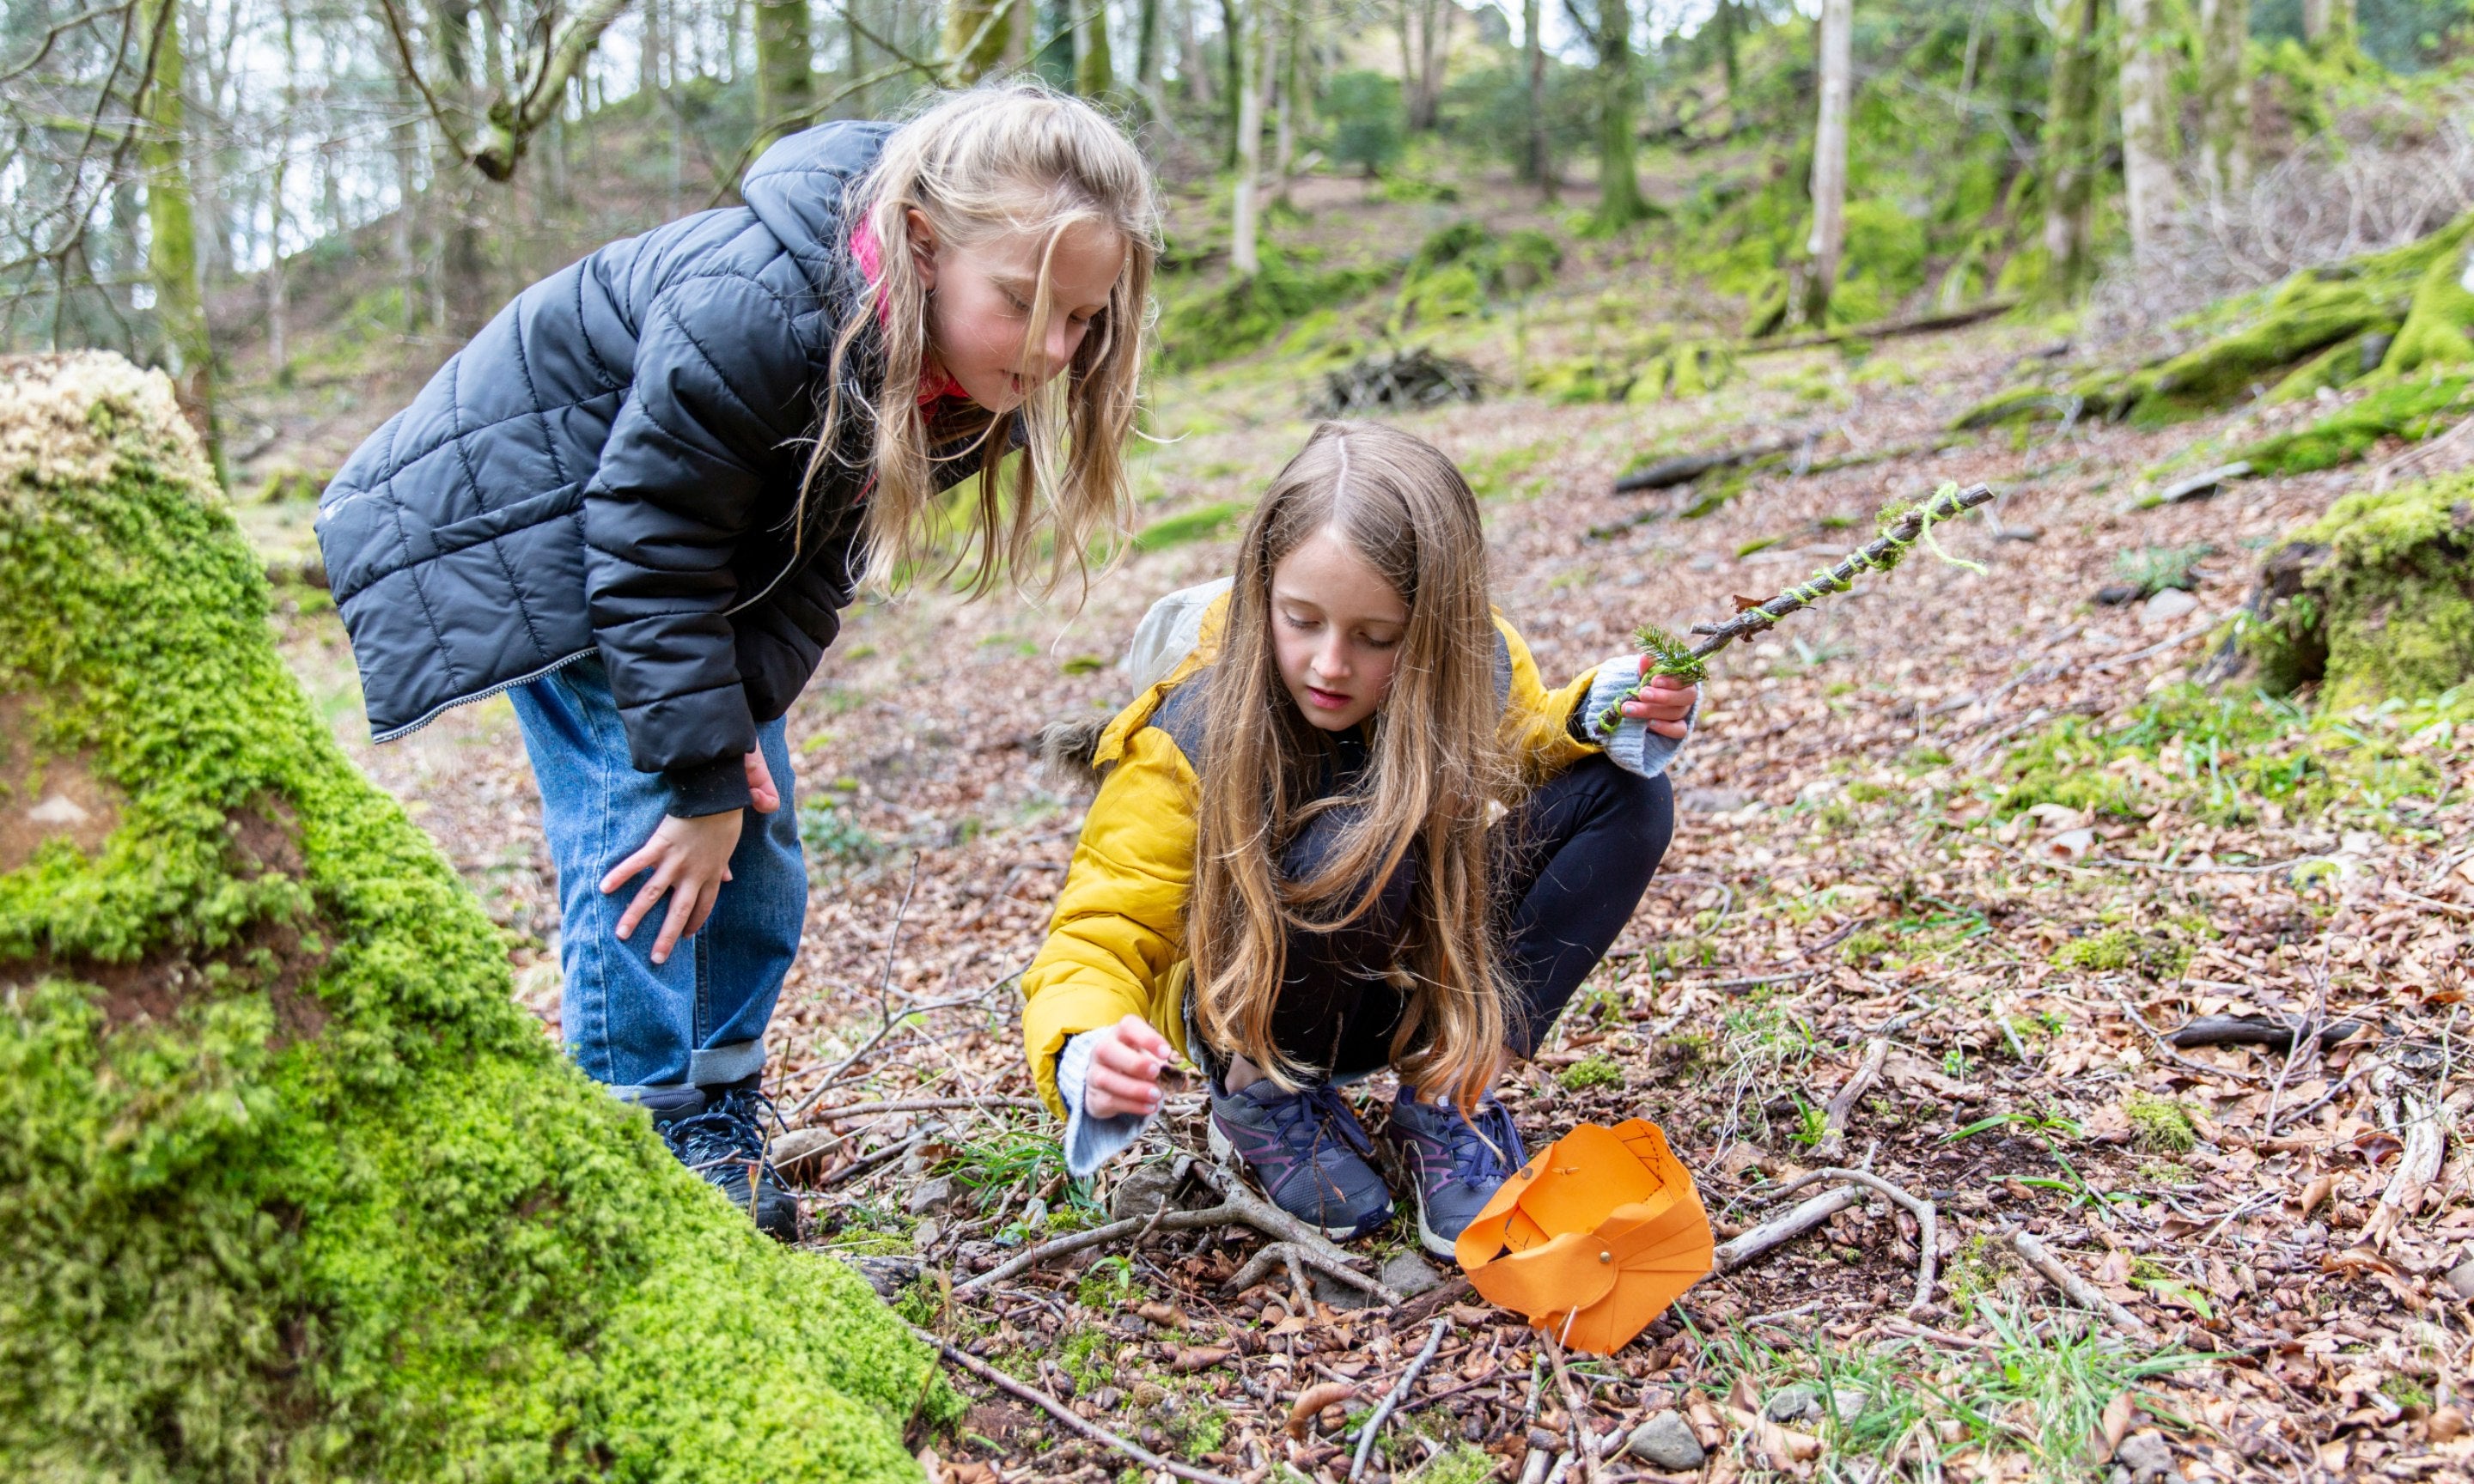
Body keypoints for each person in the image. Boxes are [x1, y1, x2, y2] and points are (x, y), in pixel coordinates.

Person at [316, 82, 1157, 1240]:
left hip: (671, 567)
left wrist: (736, 752)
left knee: (757, 851)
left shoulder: (963, 369)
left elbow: (812, 561)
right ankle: (635, 1147)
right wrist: (697, 779)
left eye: (1083, 320)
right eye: (1025, 304)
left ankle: (714, 1116)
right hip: (547, 535)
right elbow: (648, 538)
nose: (1057, 349)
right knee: (644, 840)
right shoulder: (762, 312)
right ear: (922, 243)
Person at [1020, 423, 1698, 1258]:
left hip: (1410, 962)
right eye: (1302, 621)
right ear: (1263, 589)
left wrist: (1597, 715)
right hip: (1268, 993)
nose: (1330, 664)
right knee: (1362, 833)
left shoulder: (1471, 663)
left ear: (1433, 624)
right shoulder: (1192, 731)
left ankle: (1452, 1085)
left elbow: (1519, 745)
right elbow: (1098, 932)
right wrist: (1085, 1046)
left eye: (1376, 638)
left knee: (1626, 795)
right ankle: (1260, 1099)